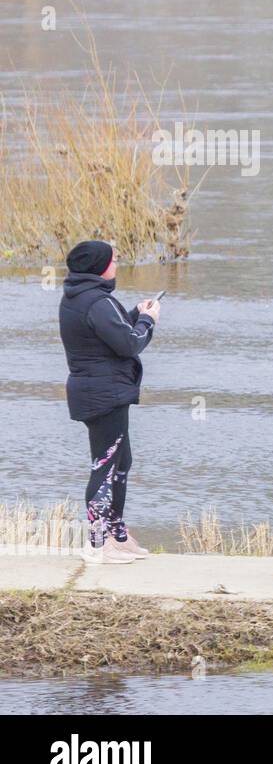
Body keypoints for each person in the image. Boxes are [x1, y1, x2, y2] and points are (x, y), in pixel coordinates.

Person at [58, 241, 160, 565]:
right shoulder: (96, 302)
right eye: (114, 259)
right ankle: (97, 544)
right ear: (100, 266)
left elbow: (108, 333)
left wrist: (135, 313)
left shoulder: (82, 297)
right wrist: (149, 321)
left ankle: (117, 534)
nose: (117, 263)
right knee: (104, 466)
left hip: (102, 392)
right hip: (103, 395)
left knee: (121, 461)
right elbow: (130, 344)